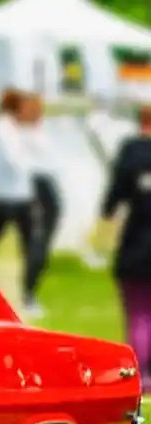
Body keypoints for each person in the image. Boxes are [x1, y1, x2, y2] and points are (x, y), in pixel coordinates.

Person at [0, 88, 43, 318]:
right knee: (26, 245)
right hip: (11, 196)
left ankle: (28, 293)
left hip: (16, 194)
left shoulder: (13, 129)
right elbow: (15, 160)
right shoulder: (3, 129)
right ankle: (27, 295)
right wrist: (36, 166)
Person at [100, 104, 151, 384]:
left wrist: (107, 211)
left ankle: (141, 375)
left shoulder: (132, 152)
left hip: (136, 245)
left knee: (140, 314)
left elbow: (116, 193)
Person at [21, 93, 62, 293]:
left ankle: (32, 286)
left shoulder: (40, 132)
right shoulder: (22, 134)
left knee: (43, 240)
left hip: (47, 185)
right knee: (37, 240)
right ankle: (29, 289)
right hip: (36, 186)